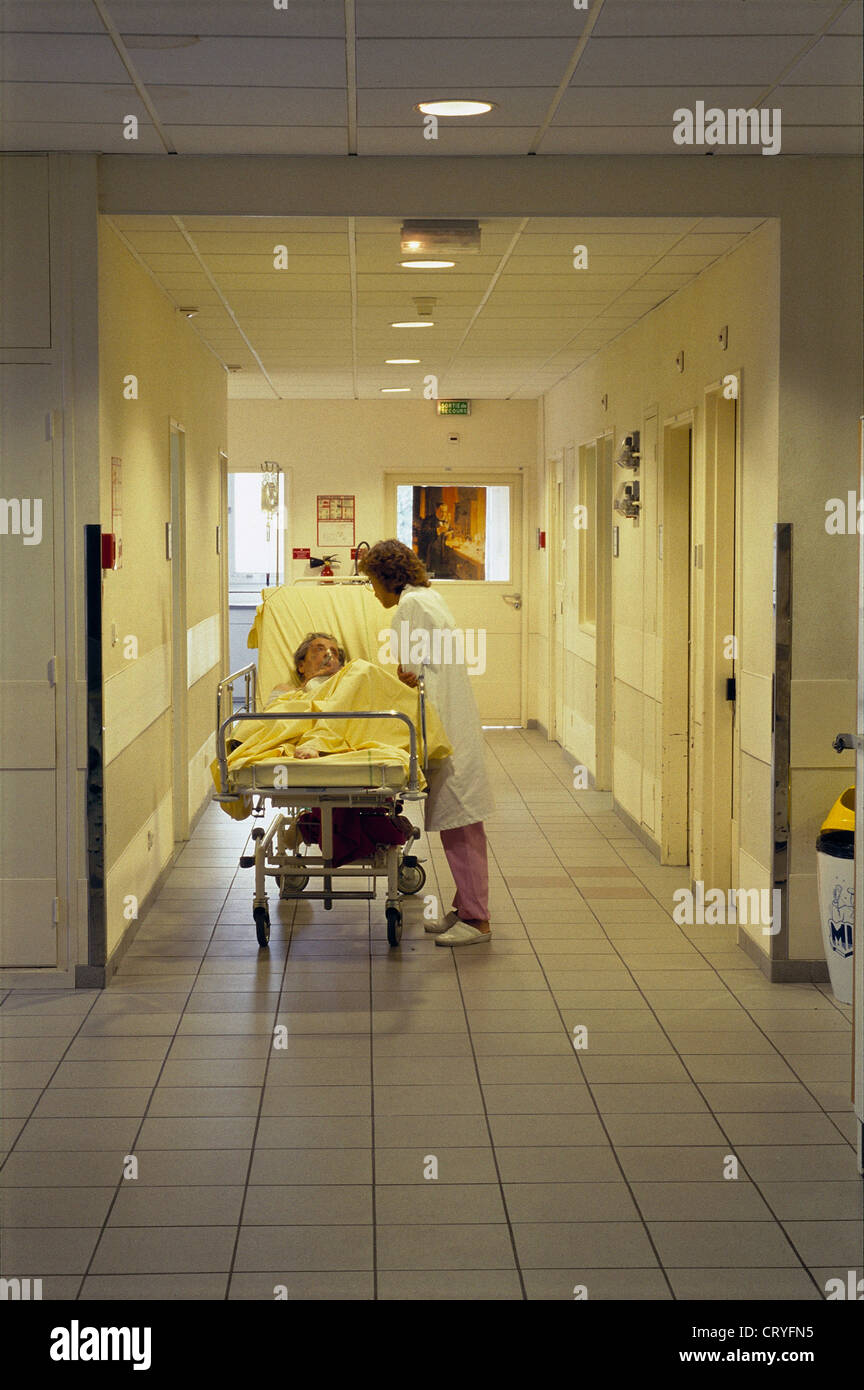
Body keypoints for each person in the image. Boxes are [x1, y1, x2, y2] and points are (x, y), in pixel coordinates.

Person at [359, 538, 494, 947]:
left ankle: (478, 919)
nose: (373, 591)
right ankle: (466, 907)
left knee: (459, 822)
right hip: (454, 723)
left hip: (445, 728)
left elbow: (409, 675)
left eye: (372, 582)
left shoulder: (410, 607)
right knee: (461, 821)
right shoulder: (428, 598)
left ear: (385, 578)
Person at [268, 632, 345, 705]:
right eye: (319, 649)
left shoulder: (346, 685)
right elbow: (270, 716)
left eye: (334, 652)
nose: (328, 654)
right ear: (301, 666)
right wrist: (311, 680)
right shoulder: (285, 692)